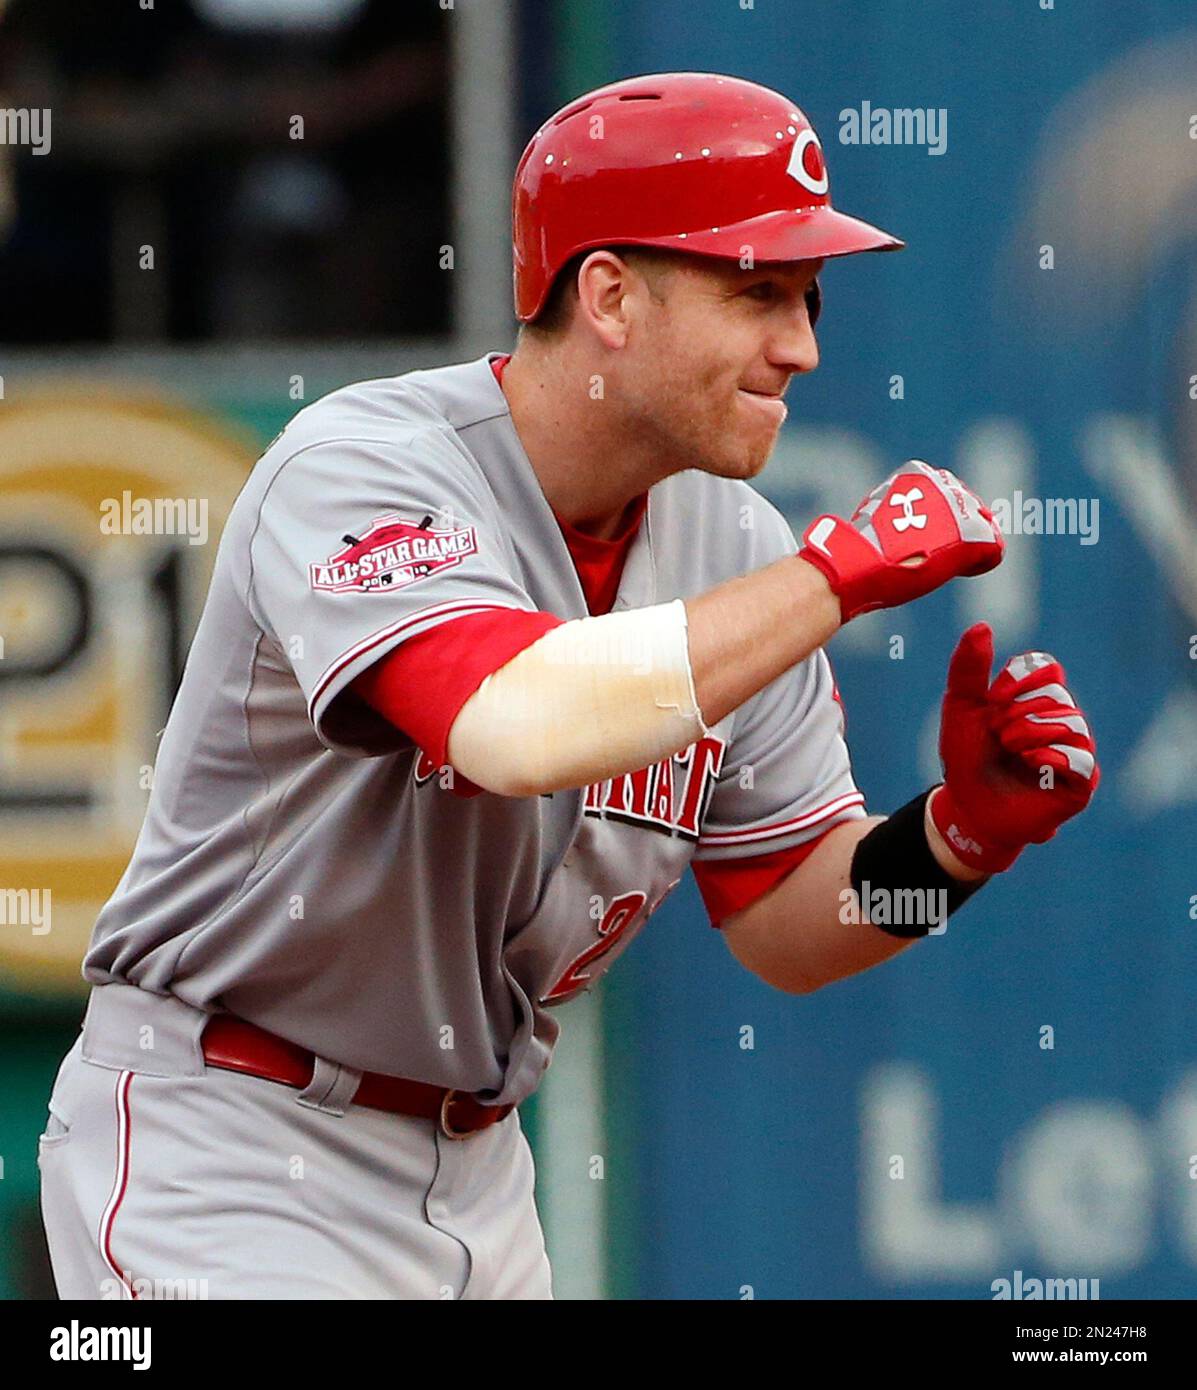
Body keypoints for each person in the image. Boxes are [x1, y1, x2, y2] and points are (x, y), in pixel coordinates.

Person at [38, 73, 1097, 1301]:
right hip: (233, 1139)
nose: (801, 344)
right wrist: (837, 577)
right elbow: (514, 722)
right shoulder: (360, 464)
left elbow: (784, 926)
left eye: (807, 297)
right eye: (757, 291)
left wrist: (955, 843)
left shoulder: (738, 548)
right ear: (606, 295)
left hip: (481, 1178)